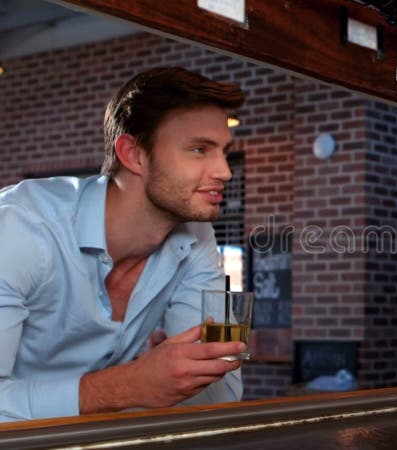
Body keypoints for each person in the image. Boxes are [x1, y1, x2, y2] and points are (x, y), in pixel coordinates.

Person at [0, 67, 247, 422]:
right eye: (199, 149)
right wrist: (130, 385)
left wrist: (163, 378)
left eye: (224, 151)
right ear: (134, 155)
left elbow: (217, 395)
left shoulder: (195, 237)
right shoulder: (19, 229)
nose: (224, 171)